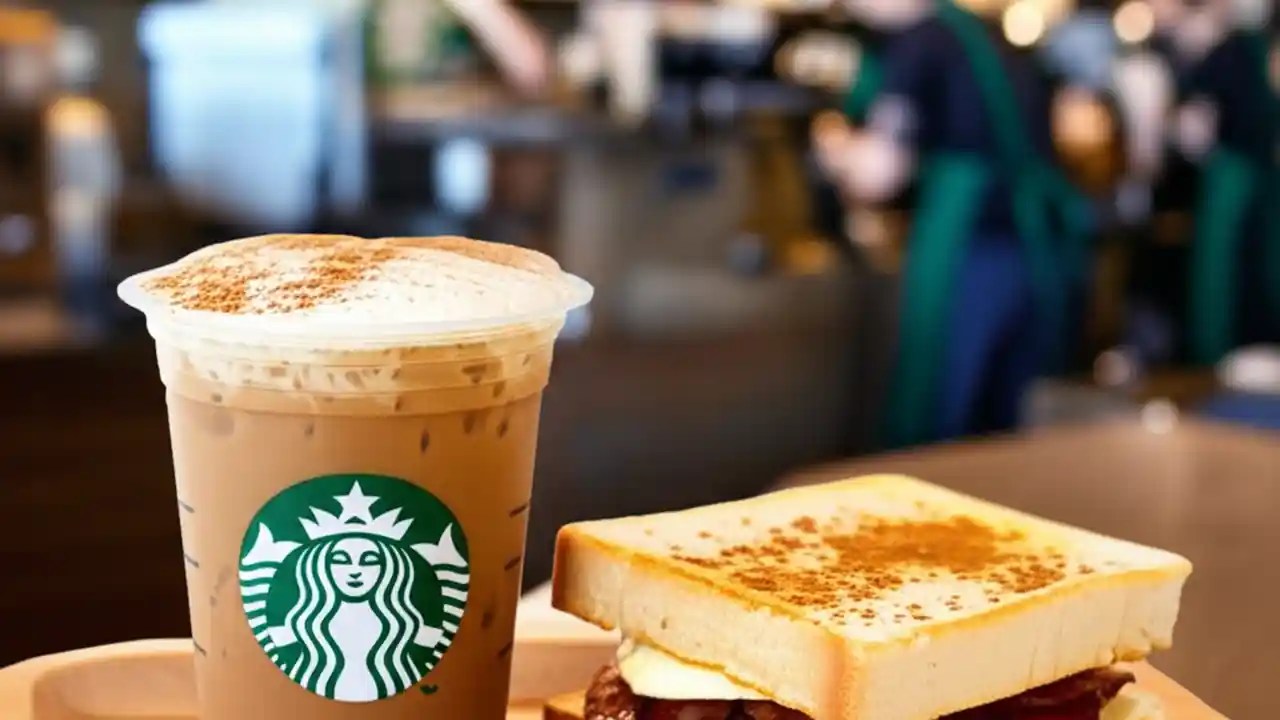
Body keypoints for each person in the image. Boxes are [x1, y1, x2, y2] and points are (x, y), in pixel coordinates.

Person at [815, 0, 1091, 447]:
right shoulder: (990, 34)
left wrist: (834, 148)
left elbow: (879, 172)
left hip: (969, 251)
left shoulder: (918, 44)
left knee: (941, 413)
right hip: (1038, 252)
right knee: (1008, 425)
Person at [1171, 0, 1280, 364]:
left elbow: (1192, 134)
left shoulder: (1234, 50)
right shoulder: (1244, 51)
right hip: (1248, 189)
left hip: (1242, 190)